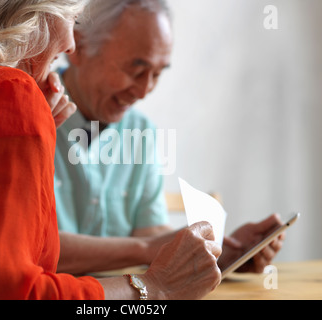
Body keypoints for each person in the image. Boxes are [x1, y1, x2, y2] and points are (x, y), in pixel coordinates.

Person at [0, 0, 222, 300]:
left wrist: (215, 251)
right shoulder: (10, 98)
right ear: (26, 13)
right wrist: (154, 289)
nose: (68, 43)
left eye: (157, 74)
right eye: (70, 16)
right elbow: (8, 291)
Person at [53, 0, 285, 276]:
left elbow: (151, 233)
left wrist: (219, 253)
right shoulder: (27, 117)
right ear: (77, 48)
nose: (144, 90)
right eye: (136, 70)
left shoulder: (140, 132)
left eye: (158, 73)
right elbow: (29, 250)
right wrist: (146, 248)